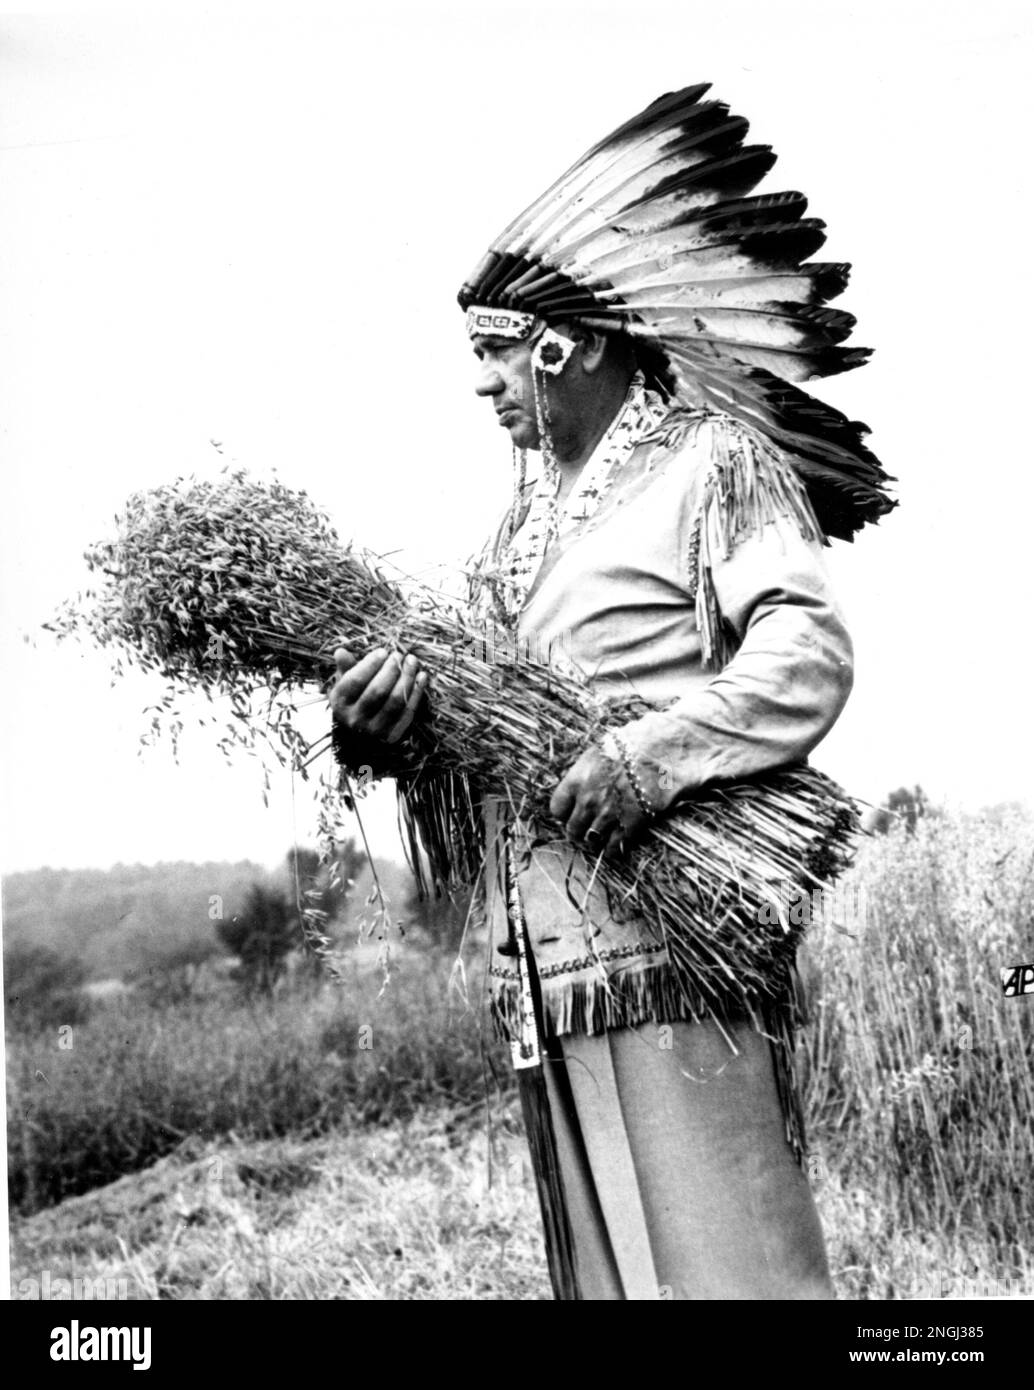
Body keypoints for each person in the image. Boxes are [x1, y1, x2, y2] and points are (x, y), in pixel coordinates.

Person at [330, 84, 893, 1300]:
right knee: (614, 1275)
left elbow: (803, 648)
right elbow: (480, 754)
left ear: (564, 343)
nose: (481, 387)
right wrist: (390, 734)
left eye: (491, 354)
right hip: (549, 960)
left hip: (673, 938)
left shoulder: (711, 462)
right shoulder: (512, 534)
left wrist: (652, 761)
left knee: (726, 1262)